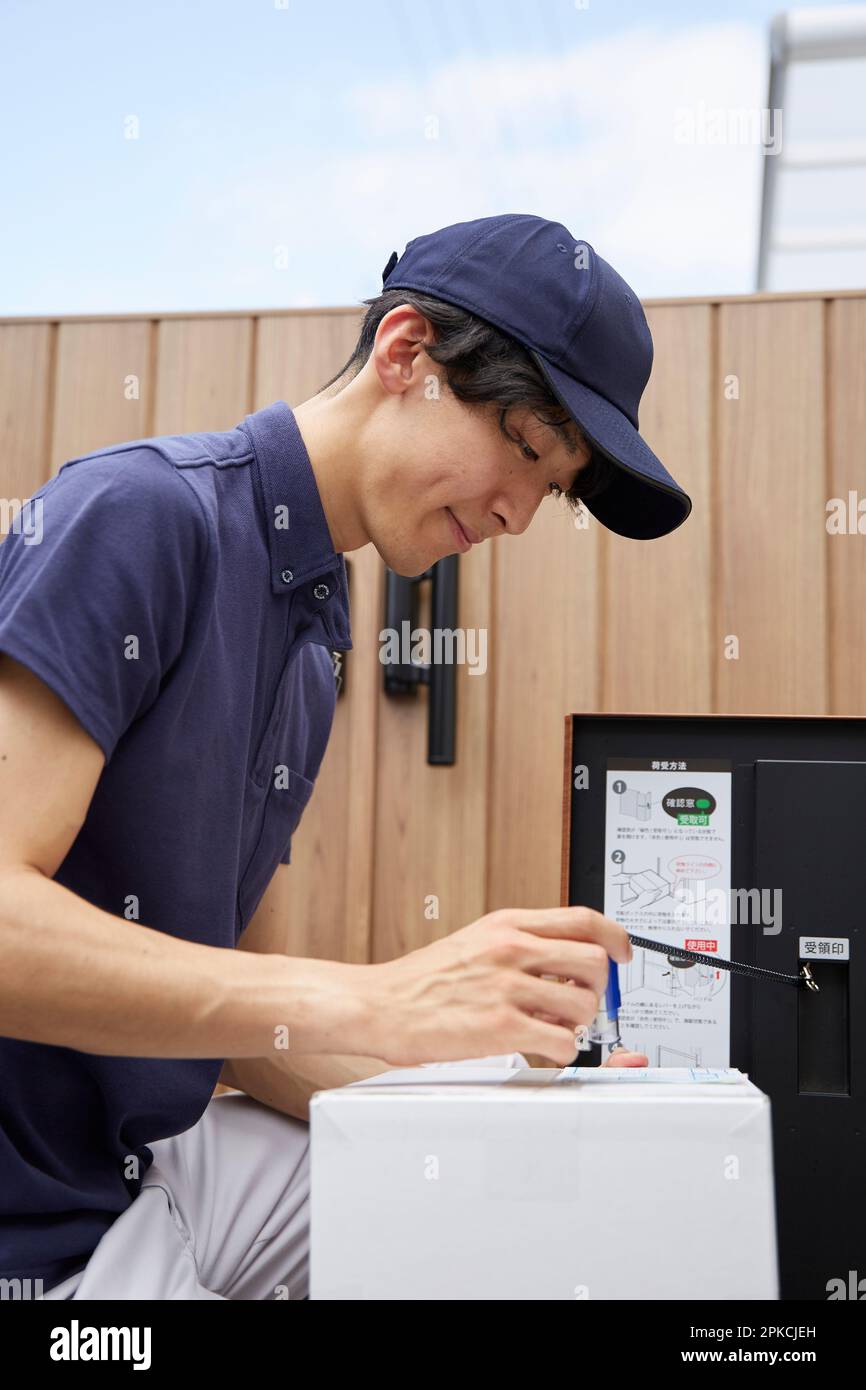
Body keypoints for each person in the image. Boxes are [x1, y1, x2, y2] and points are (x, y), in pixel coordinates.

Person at [0, 214, 691, 1300]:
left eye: (548, 487)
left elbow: (244, 1024)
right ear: (404, 352)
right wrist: (376, 997)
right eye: (521, 446)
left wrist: (490, 1076)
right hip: (30, 1228)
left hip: (150, 1169)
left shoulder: (315, 622)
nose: (517, 513)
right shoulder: (140, 516)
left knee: (511, 1197)